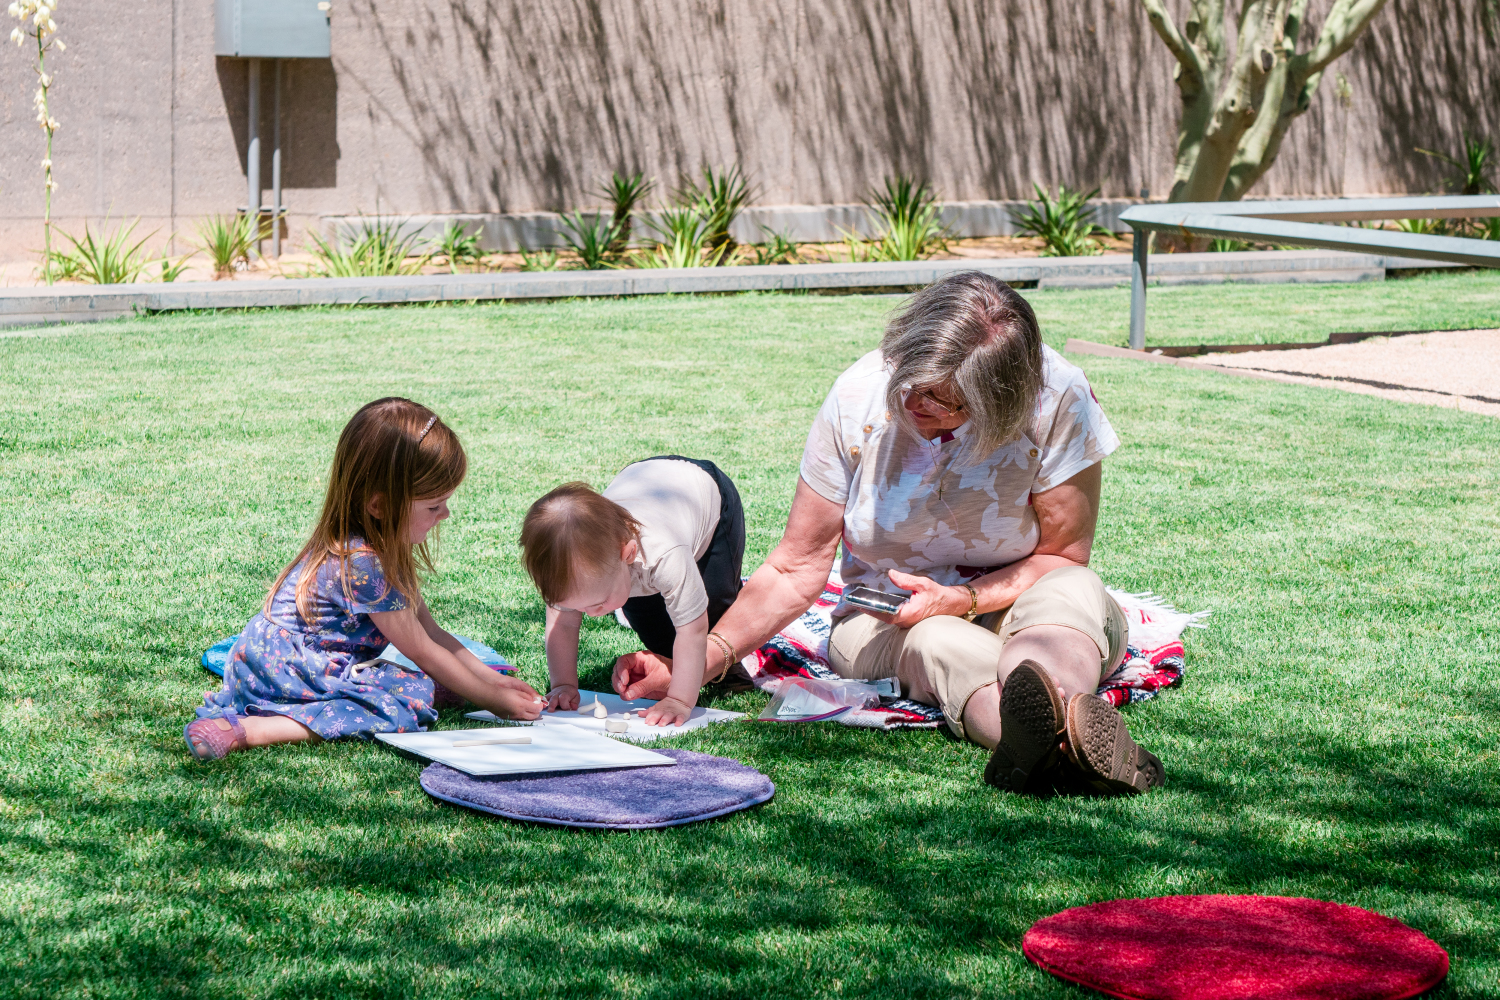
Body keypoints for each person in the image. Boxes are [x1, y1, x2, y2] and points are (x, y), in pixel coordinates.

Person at [617, 271, 1164, 795]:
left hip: (1023, 597)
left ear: (999, 403)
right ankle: (1069, 740)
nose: (912, 404)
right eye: (910, 381)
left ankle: (1046, 736)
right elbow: (796, 566)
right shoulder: (858, 395)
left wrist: (962, 598)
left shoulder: (1057, 396)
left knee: (1074, 595)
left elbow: (1064, 556)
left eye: (942, 400)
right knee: (935, 641)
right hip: (881, 619)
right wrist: (695, 664)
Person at [183, 398, 544, 760]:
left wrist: (492, 680)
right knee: (396, 710)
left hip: (285, 657)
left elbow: (432, 633)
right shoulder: (363, 564)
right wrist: (493, 701)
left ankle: (440, 687)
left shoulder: (385, 543)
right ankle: (248, 730)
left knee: (415, 685)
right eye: (434, 506)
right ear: (380, 506)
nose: (445, 514)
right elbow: (420, 648)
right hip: (289, 670)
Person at [519, 456, 744, 727]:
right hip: (641, 484)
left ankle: (731, 674)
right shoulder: (568, 569)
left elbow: (692, 630)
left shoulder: (665, 555)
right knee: (657, 633)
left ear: (628, 555)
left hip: (708, 501)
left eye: (599, 603)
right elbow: (562, 624)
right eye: (580, 607)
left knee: (713, 607)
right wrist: (563, 684)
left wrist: (680, 700)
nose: (591, 614)